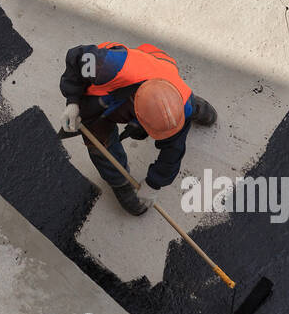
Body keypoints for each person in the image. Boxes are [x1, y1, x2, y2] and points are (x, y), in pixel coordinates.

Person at [59, 41, 216, 216]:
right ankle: (120, 182)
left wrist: (154, 183)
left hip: (163, 79)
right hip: (106, 91)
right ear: (137, 115)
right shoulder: (108, 65)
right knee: (101, 145)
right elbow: (77, 56)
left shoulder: (181, 104)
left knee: (184, 105)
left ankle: (194, 107)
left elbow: (173, 151)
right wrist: (72, 101)